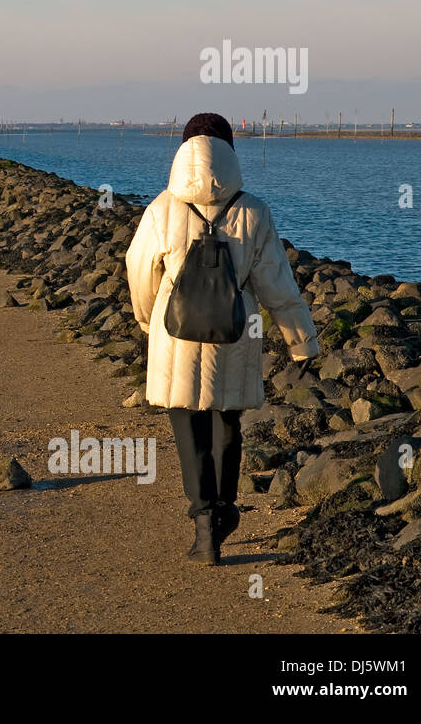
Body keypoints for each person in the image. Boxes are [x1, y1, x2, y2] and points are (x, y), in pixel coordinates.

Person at [126, 112, 318, 564]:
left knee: (187, 428)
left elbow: (139, 271)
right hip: (236, 331)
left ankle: (204, 529)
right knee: (226, 424)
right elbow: (277, 285)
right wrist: (301, 341)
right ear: (231, 151)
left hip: (176, 334)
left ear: (182, 149)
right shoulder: (254, 211)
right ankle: (226, 509)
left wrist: (150, 321)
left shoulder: (161, 208)